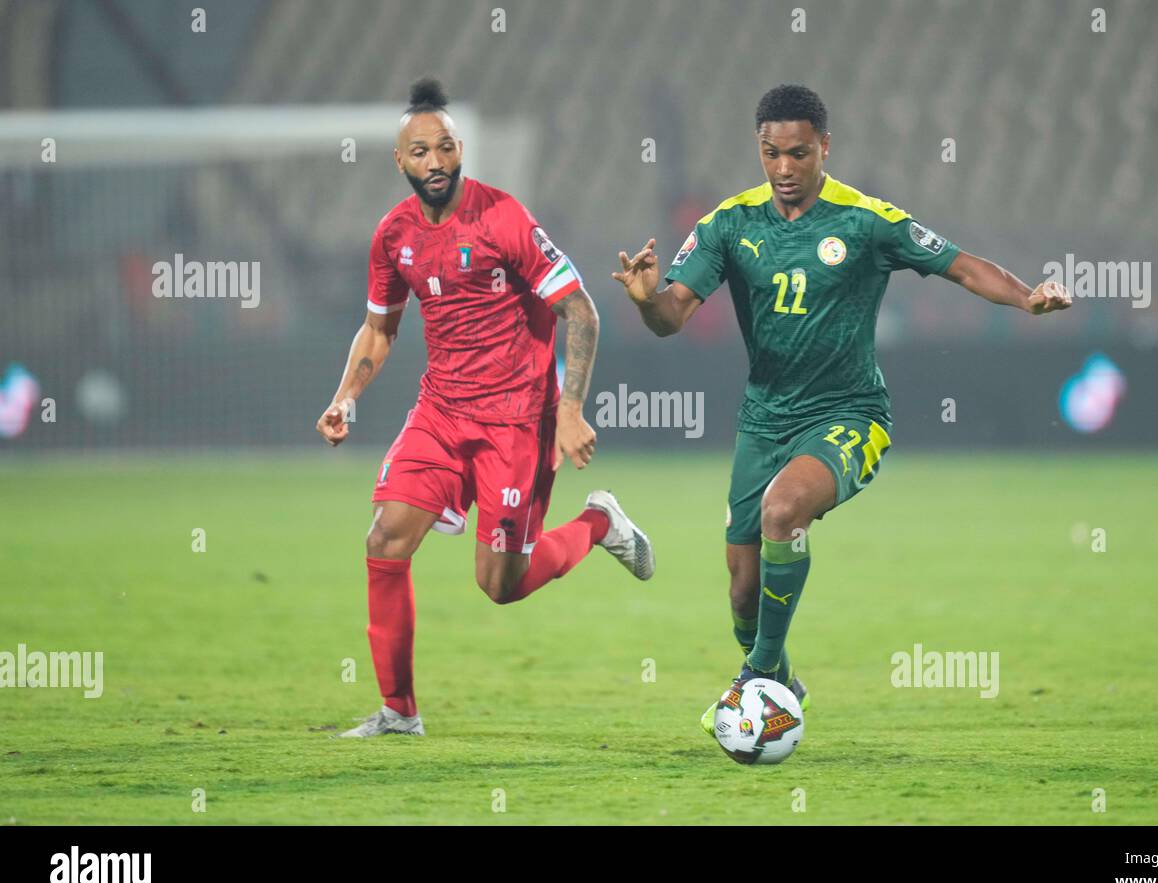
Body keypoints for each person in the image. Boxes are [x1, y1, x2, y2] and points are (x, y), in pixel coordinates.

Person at [612, 84, 1070, 733]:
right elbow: (671, 317)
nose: (785, 169)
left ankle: (758, 678)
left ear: (824, 147)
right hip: (764, 420)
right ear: (759, 149)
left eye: (799, 153)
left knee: (783, 510)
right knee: (743, 593)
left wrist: (1029, 299)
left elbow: (962, 266)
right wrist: (642, 298)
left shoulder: (866, 220)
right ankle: (778, 674)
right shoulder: (729, 224)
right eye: (772, 154)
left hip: (850, 414)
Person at [318, 78, 653, 738]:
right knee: (384, 539)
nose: (435, 162)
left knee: (500, 584)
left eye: (445, 148)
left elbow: (579, 310)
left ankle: (597, 523)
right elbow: (380, 329)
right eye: (420, 152)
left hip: (517, 422)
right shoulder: (393, 237)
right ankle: (398, 712)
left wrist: (570, 408)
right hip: (441, 414)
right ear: (400, 161)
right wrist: (345, 398)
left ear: (460, 149)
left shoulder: (503, 218)